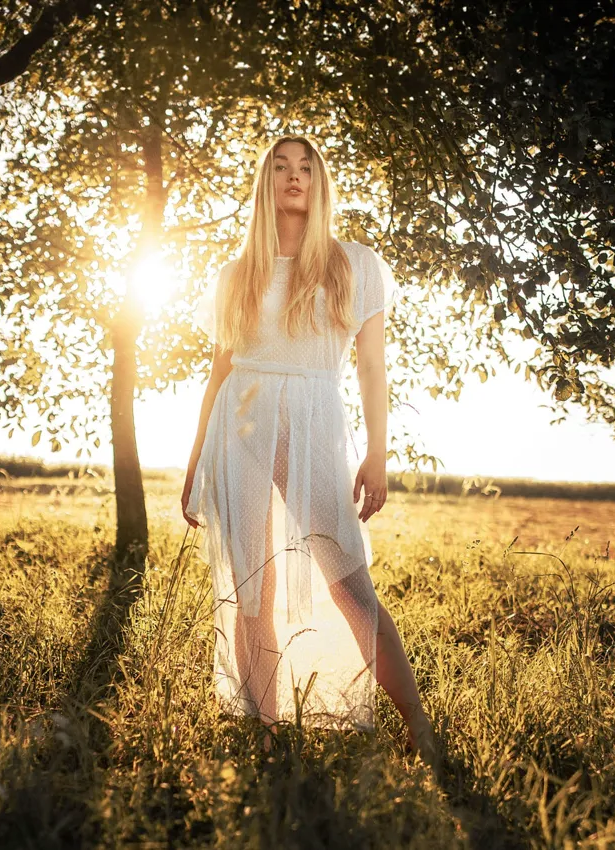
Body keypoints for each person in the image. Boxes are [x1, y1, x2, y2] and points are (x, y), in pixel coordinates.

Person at [180, 135, 438, 765]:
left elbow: (373, 368)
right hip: (239, 425)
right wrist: (192, 465)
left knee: (350, 581)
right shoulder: (236, 273)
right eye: (280, 167)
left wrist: (378, 453)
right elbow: (218, 372)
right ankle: (267, 738)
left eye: (306, 168)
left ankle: (418, 726)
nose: (294, 177)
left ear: (320, 183)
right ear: (265, 184)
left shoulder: (354, 263)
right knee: (252, 591)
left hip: (315, 422)